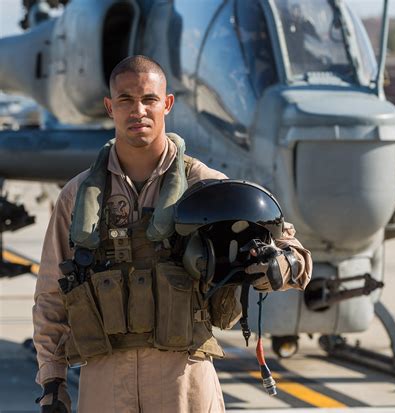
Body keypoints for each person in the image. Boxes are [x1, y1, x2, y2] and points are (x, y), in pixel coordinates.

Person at [33, 55, 312, 413]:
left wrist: (282, 265)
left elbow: (292, 250)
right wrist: (52, 381)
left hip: (184, 381)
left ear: (167, 104)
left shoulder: (205, 186)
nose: (139, 111)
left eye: (149, 99)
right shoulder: (77, 196)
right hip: (105, 382)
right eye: (125, 100)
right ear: (109, 107)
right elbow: (51, 295)